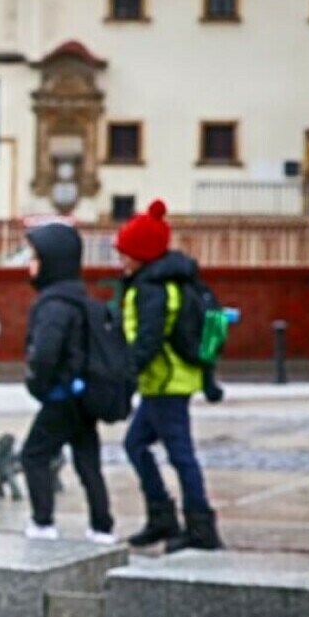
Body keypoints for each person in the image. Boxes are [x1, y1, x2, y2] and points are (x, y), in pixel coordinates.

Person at [116, 200, 224, 551]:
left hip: (166, 382)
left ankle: (200, 526)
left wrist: (126, 377)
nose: (120, 261)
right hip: (165, 381)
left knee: (181, 454)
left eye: (125, 253)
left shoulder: (152, 288)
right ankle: (164, 518)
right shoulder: (164, 280)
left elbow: (148, 339)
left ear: (142, 255)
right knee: (136, 445)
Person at [19, 223, 116, 544]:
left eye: (34, 257)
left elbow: (45, 353)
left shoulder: (53, 304)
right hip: (84, 396)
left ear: (52, 260)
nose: (29, 264)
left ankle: (43, 522)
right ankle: (102, 526)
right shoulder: (82, 299)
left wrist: (38, 384)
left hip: (61, 396)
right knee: (88, 459)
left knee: (34, 454)